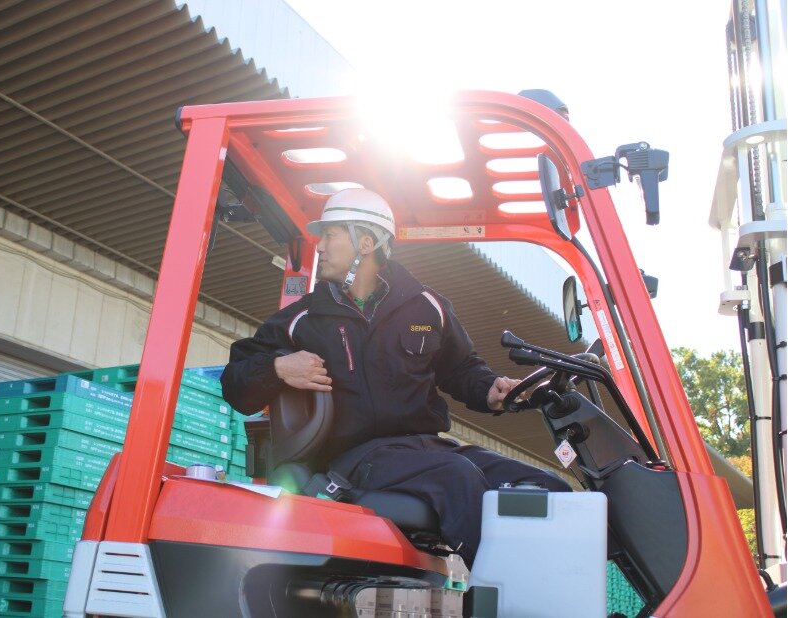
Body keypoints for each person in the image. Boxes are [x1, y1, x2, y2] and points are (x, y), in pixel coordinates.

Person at [221, 187, 571, 567]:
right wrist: (277, 368)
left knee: (550, 487)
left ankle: (554, 583)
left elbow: (461, 368)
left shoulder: (426, 307)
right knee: (457, 477)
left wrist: (490, 389)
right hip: (358, 457)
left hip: (429, 449)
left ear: (365, 243)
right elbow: (235, 381)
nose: (320, 246)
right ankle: (506, 591)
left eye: (330, 235)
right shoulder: (303, 319)